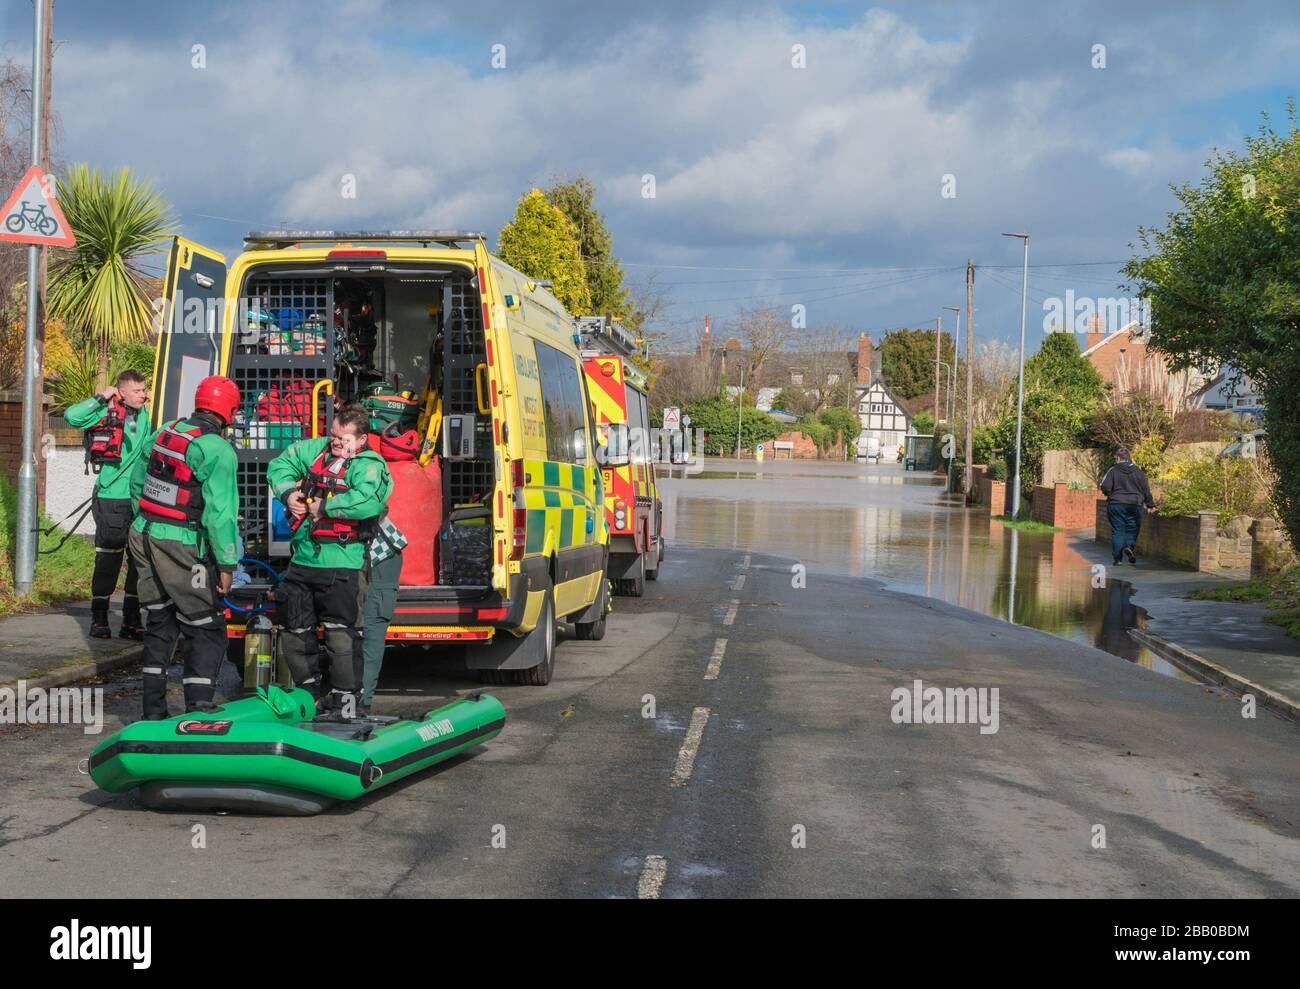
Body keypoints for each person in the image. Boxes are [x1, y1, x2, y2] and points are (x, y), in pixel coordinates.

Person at [267, 404, 392, 720]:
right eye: (333, 435)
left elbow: (368, 500)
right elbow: (280, 465)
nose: (335, 442)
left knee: (341, 638)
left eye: (343, 438)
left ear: (361, 440)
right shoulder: (316, 449)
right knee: (294, 629)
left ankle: (348, 707)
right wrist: (287, 494)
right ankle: (309, 697)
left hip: (342, 562)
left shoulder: (370, 465)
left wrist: (325, 507)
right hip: (303, 560)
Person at [128, 376, 241, 719]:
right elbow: (221, 515)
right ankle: (199, 711)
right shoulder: (217, 450)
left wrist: (144, 520)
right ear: (230, 410)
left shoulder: (167, 431)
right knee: (205, 624)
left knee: (160, 621)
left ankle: (153, 712)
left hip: (142, 534)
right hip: (179, 544)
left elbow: (137, 481)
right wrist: (226, 564)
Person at [64, 370, 152, 639]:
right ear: (122, 392)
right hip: (112, 498)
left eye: (145, 390)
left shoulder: (147, 415)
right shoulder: (106, 412)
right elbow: (71, 416)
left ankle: (131, 619)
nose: (144, 395)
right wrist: (101, 397)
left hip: (139, 500)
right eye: (138, 391)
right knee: (108, 559)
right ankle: (99, 618)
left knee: (140, 560)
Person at [1100, 447, 1156, 565]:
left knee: (1118, 530)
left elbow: (1104, 486)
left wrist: (1110, 494)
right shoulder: (1138, 472)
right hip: (1135, 504)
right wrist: (1150, 505)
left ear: (1119, 458)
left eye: (1116, 458)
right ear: (1129, 458)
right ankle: (1129, 546)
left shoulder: (1113, 470)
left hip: (1116, 504)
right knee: (1133, 528)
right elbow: (1146, 489)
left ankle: (1117, 559)